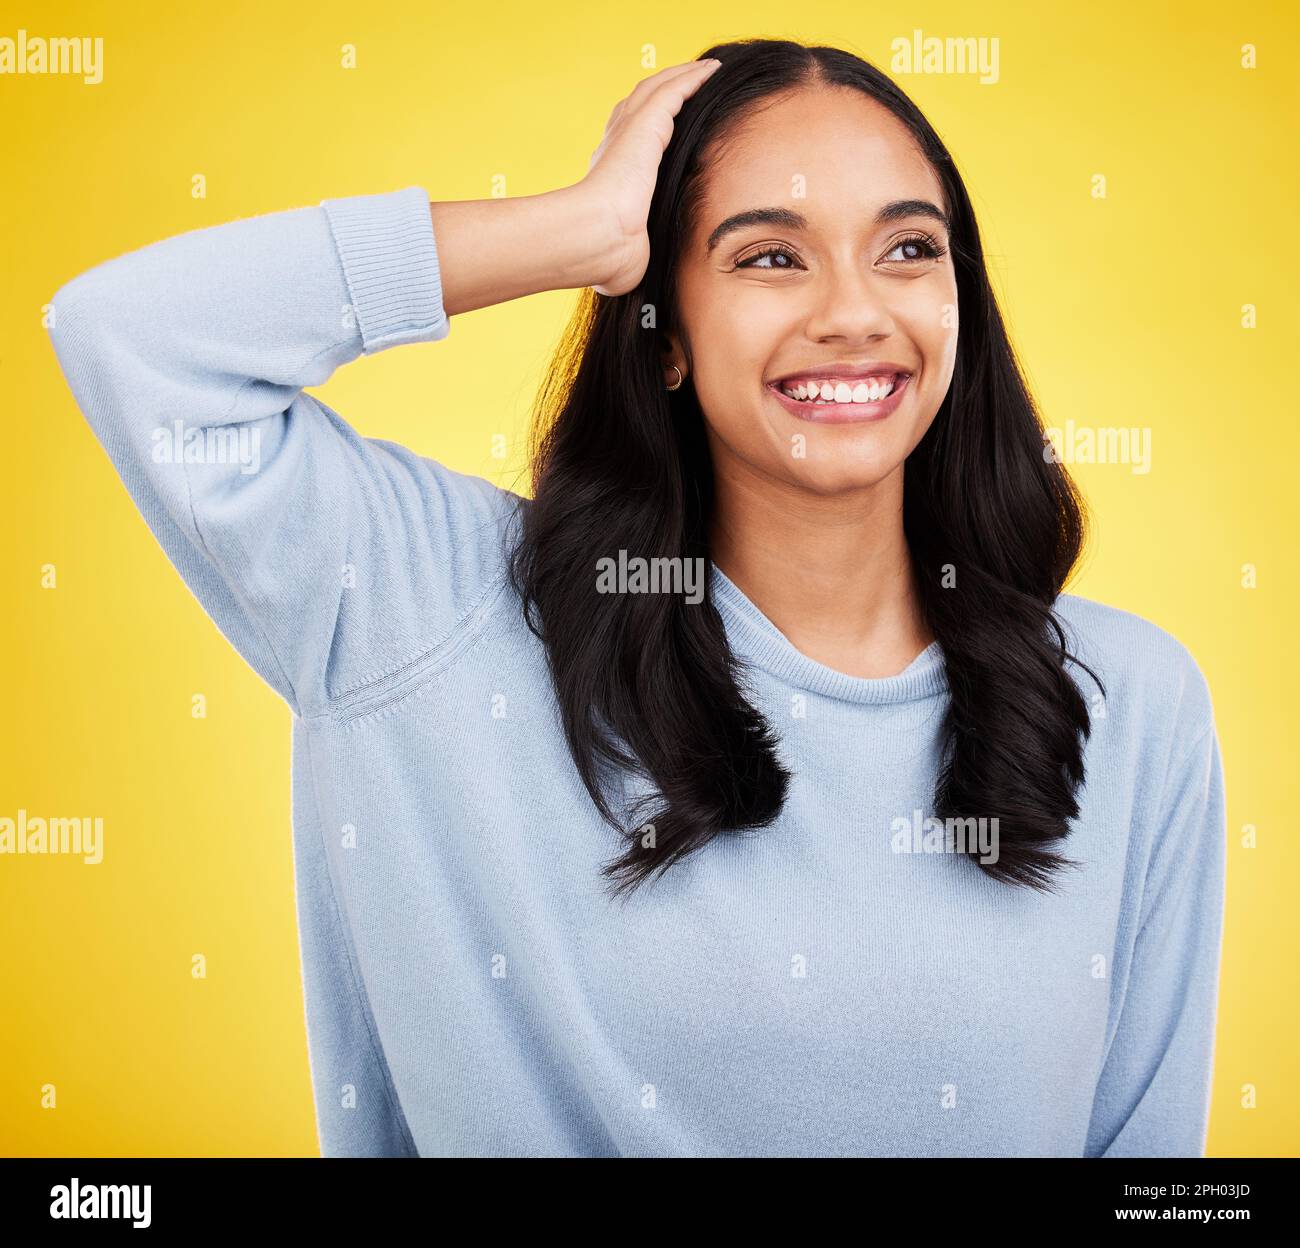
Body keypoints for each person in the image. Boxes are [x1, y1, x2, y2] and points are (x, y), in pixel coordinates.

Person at [47, 39, 1225, 1158]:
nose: (855, 310)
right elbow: (130, 338)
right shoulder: (438, 614)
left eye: (908, 250)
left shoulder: (1131, 703)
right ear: (661, 331)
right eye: (770, 255)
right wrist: (581, 232)